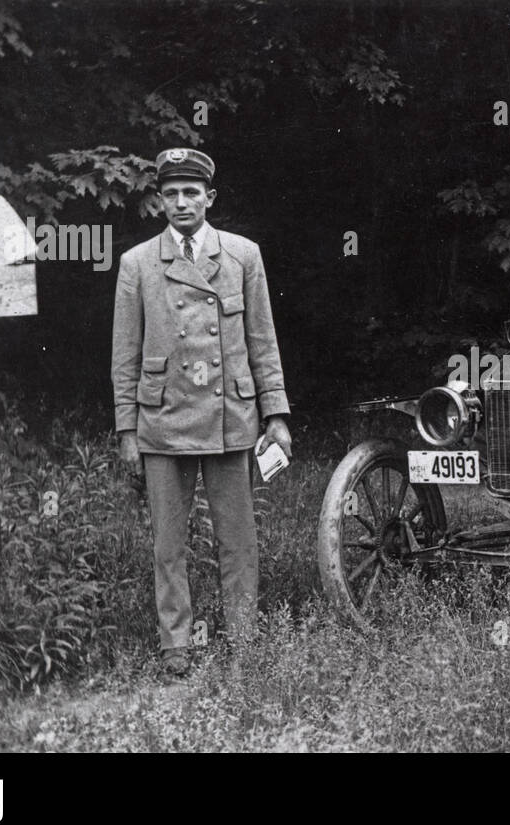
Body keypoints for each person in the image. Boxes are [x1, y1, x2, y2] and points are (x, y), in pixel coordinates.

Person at [111, 147, 292, 676]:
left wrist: (275, 412)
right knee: (169, 541)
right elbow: (124, 353)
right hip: (162, 419)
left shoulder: (243, 255)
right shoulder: (137, 264)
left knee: (238, 539)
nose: (181, 203)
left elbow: (262, 339)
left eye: (191, 193)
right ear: (159, 201)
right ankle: (176, 645)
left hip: (229, 416)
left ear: (209, 198)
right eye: (171, 194)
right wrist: (127, 427)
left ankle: (243, 639)